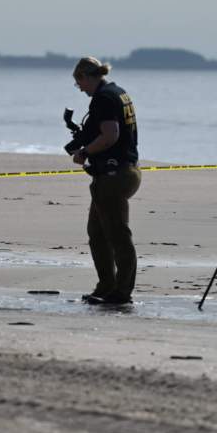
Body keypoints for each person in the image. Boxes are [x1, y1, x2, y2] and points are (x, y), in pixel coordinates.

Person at [68, 57, 140, 305]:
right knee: (97, 232)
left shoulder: (105, 98)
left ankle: (122, 292)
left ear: (86, 77)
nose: (80, 89)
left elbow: (110, 136)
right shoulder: (119, 93)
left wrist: (85, 152)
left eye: (79, 83)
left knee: (117, 235)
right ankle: (106, 285)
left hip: (115, 175)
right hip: (121, 172)